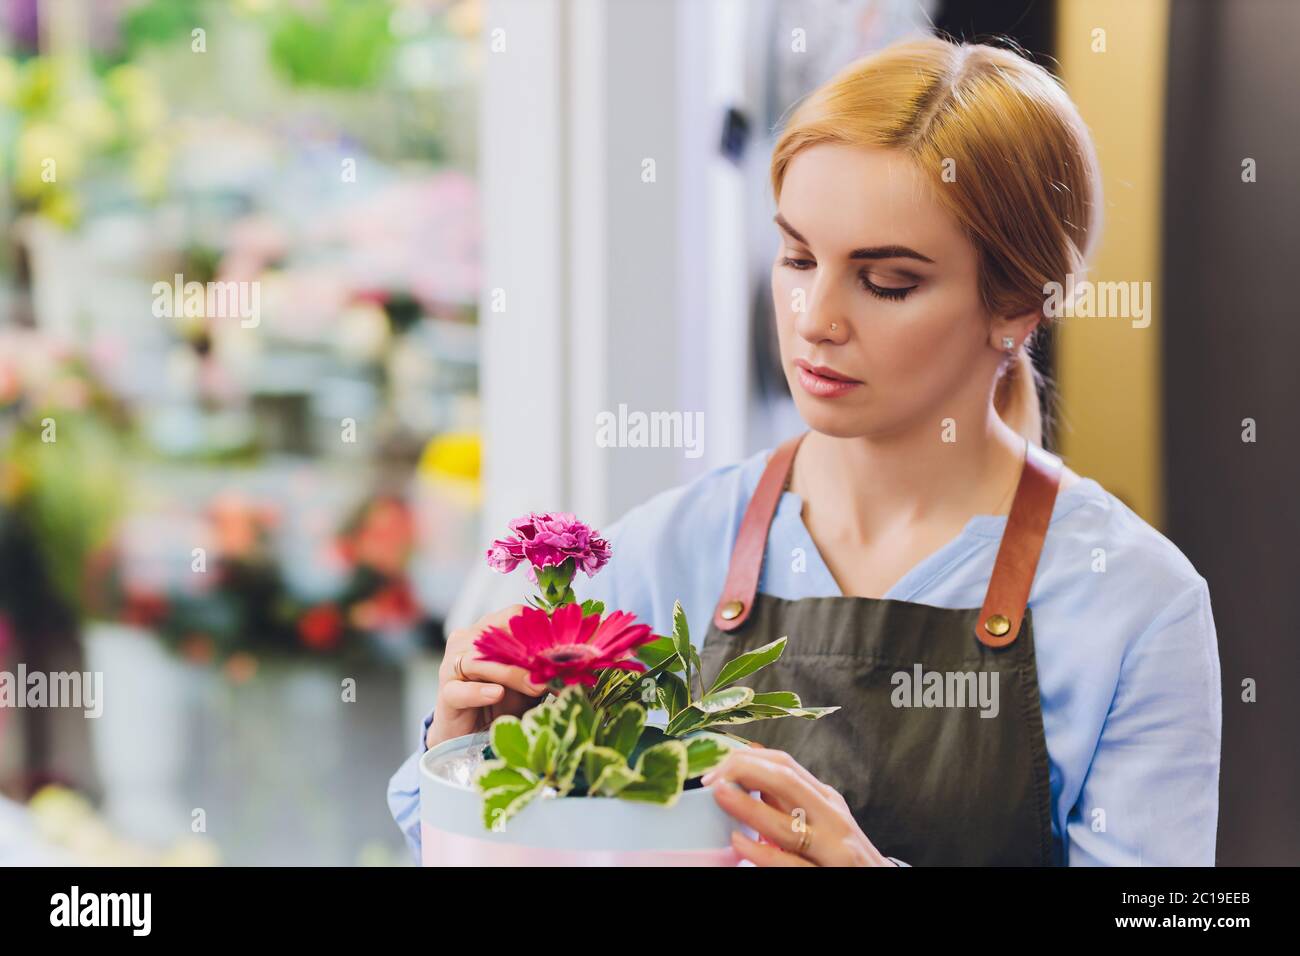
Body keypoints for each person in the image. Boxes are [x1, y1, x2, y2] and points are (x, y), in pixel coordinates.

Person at [388, 36, 1221, 866]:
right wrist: (467, 763)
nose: (814, 317)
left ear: (1016, 306)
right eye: (796, 257)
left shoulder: (1136, 607)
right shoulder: (665, 551)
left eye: (887, 281)